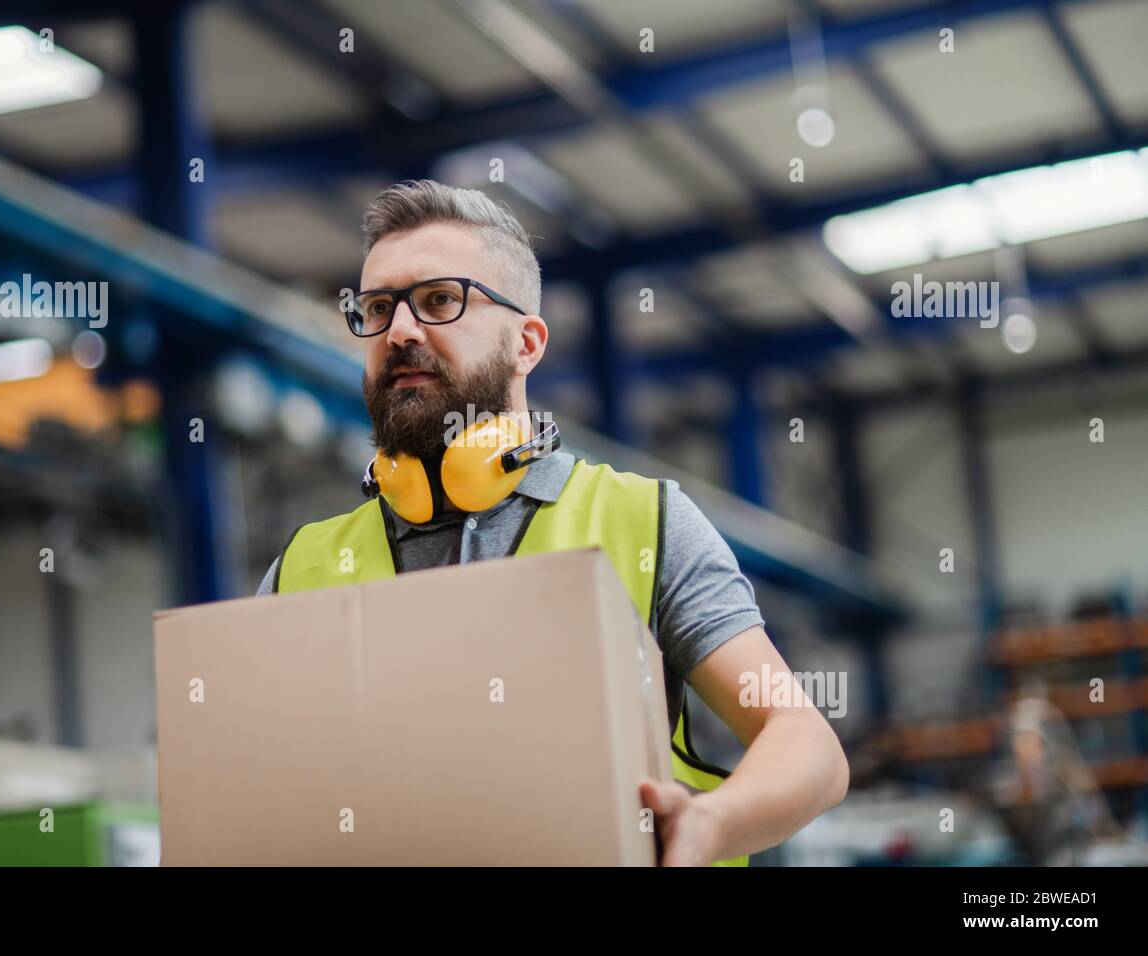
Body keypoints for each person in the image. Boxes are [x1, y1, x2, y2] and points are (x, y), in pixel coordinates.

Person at [257, 179, 848, 866]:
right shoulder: (301, 566)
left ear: (527, 343)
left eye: (439, 300)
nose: (401, 332)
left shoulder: (643, 522)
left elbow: (805, 741)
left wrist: (711, 823)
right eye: (378, 308)